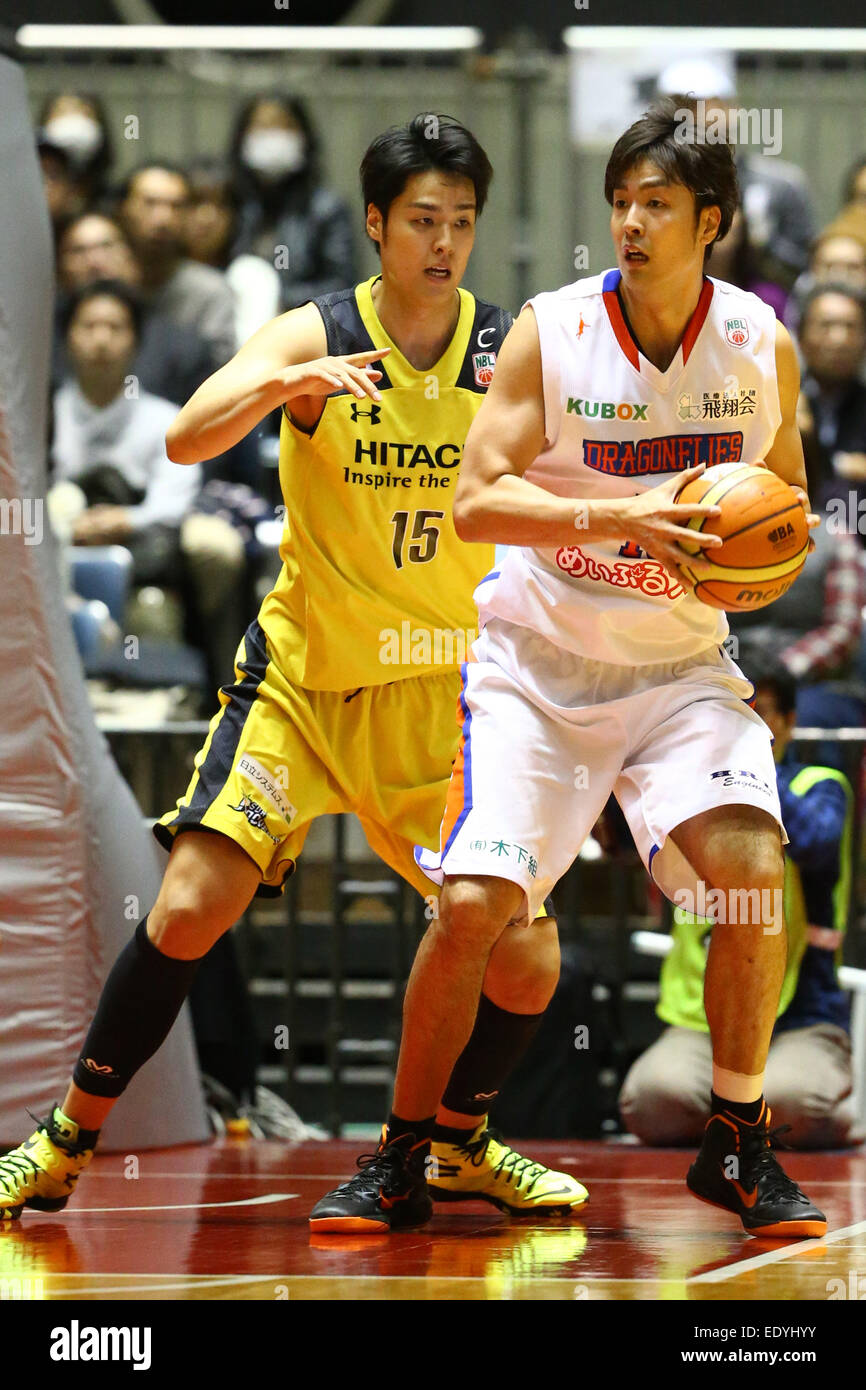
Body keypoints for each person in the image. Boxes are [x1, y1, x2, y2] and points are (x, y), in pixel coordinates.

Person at [0, 115, 586, 1227]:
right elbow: (185, 441)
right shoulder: (313, 327)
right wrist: (285, 388)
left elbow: (560, 483)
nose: (444, 242)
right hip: (304, 684)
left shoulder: (506, 348)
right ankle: (66, 1137)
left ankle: (457, 1142)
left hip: (438, 698)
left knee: (526, 965)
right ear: (374, 223)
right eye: (422, 220)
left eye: (462, 222)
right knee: (188, 904)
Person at [316, 96, 828, 1240]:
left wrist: (748, 573)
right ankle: (405, 1150)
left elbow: (782, 519)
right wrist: (629, 520)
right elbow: (473, 503)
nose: (631, 224)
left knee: (749, 873)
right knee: (473, 908)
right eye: (618, 204)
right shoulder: (552, 330)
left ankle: (737, 1141)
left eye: (655, 205)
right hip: (537, 670)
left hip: (677, 672)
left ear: (712, 219)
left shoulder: (758, 344)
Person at [619, 664, 862, 1149]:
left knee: (790, 1100)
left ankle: (764, 1114)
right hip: (700, 1017)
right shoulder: (683, 787)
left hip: (800, 1014)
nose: (743, 723)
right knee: (653, 1102)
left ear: (790, 722)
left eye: (757, 713)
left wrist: (748, 768)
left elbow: (816, 839)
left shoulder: (818, 783)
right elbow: (620, 840)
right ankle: (732, 1120)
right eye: (731, 712)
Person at [50, 278, 200, 583]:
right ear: (67, 339)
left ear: (137, 341)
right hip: (52, 556)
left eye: (115, 327)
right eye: (88, 326)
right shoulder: (43, 417)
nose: (102, 340)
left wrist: (127, 520)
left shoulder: (167, 420)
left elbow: (172, 504)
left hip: (143, 558)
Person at [228, 95, 355, 312]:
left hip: (304, 328)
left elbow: (342, 286)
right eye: (263, 127)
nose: (273, 137)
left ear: (304, 137)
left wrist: (275, 299)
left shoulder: (326, 208)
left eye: (283, 127)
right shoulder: (230, 201)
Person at [118, 163, 237, 367]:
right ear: (123, 209)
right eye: (150, 203)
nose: (163, 219)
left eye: (176, 206)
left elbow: (219, 375)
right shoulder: (101, 280)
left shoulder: (210, 293)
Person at [184, 158, 282, 347]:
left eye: (221, 205)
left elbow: (252, 357)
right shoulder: (158, 275)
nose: (207, 217)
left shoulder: (252, 276)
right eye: (195, 202)